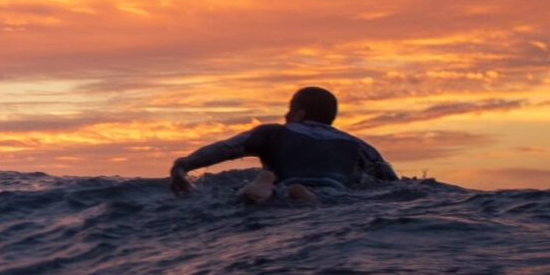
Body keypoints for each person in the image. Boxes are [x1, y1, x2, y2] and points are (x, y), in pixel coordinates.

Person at [168, 86, 396, 206]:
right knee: (319, 200)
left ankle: (264, 183)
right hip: (333, 190)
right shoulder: (356, 144)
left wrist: (184, 165)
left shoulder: (273, 132)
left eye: (289, 110)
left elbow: (226, 148)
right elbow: (390, 180)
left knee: (254, 199)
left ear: (299, 113)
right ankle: (306, 197)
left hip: (283, 185)